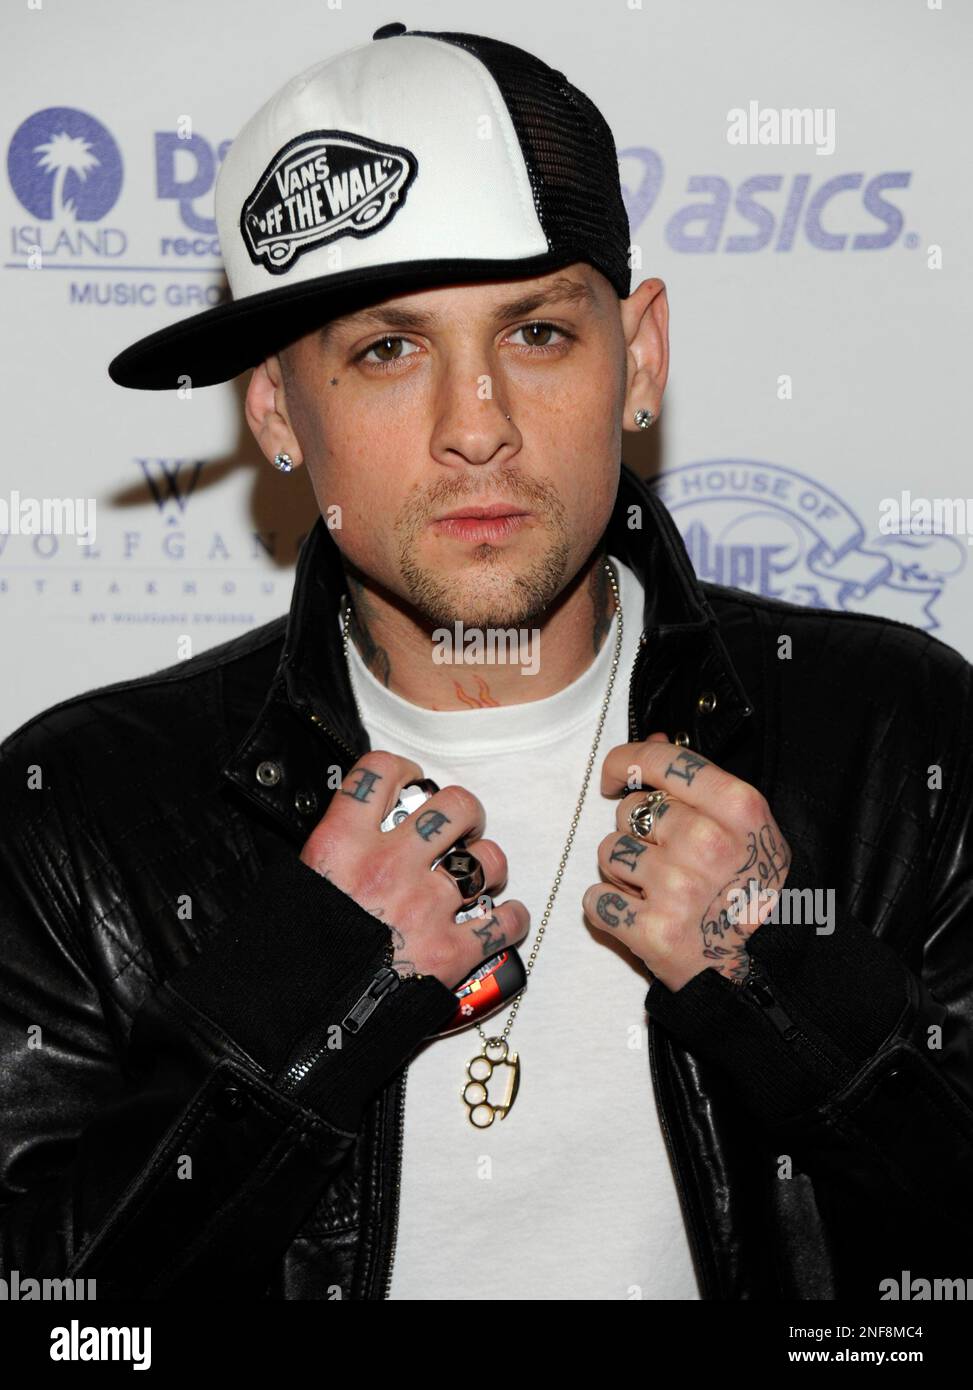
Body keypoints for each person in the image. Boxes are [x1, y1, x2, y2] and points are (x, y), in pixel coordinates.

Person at [1, 22, 972, 1303]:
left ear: (642, 357)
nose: (477, 429)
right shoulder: (79, 812)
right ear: (280, 412)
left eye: (535, 335)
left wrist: (785, 981)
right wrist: (291, 1009)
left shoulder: (898, 737)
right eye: (388, 348)